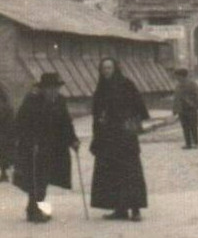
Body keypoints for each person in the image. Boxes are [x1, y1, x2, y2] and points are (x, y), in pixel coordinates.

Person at [12, 73, 78, 223]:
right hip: (34, 146)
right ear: (44, 88)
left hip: (53, 147)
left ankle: (33, 208)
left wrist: (73, 139)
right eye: (50, 88)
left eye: (56, 88)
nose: (54, 91)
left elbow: (66, 122)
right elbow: (21, 122)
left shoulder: (60, 100)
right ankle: (34, 211)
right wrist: (29, 142)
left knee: (45, 178)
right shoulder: (32, 100)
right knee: (36, 178)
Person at [90, 58, 150, 222]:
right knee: (112, 173)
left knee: (130, 173)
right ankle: (119, 208)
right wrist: (97, 133)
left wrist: (127, 119)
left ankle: (136, 209)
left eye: (109, 67)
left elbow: (140, 107)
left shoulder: (126, 84)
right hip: (108, 139)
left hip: (125, 138)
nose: (106, 71)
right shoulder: (101, 88)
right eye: (104, 68)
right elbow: (96, 112)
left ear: (115, 68)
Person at [172, 68, 198, 150]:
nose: (177, 78)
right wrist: (175, 109)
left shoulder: (192, 84)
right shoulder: (178, 86)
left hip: (191, 109)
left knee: (193, 126)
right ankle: (188, 143)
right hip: (181, 110)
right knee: (185, 126)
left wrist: (195, 104)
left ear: (183, 76)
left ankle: (195, 142)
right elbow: (176, 98)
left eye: (178, 76)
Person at [0, 91, 13, 183]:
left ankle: (4, 174)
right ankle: (4, 173)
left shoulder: (5, 107)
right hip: (5, 135)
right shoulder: (8, 107)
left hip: (3, 135)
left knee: (3, 154)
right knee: (4, 154)